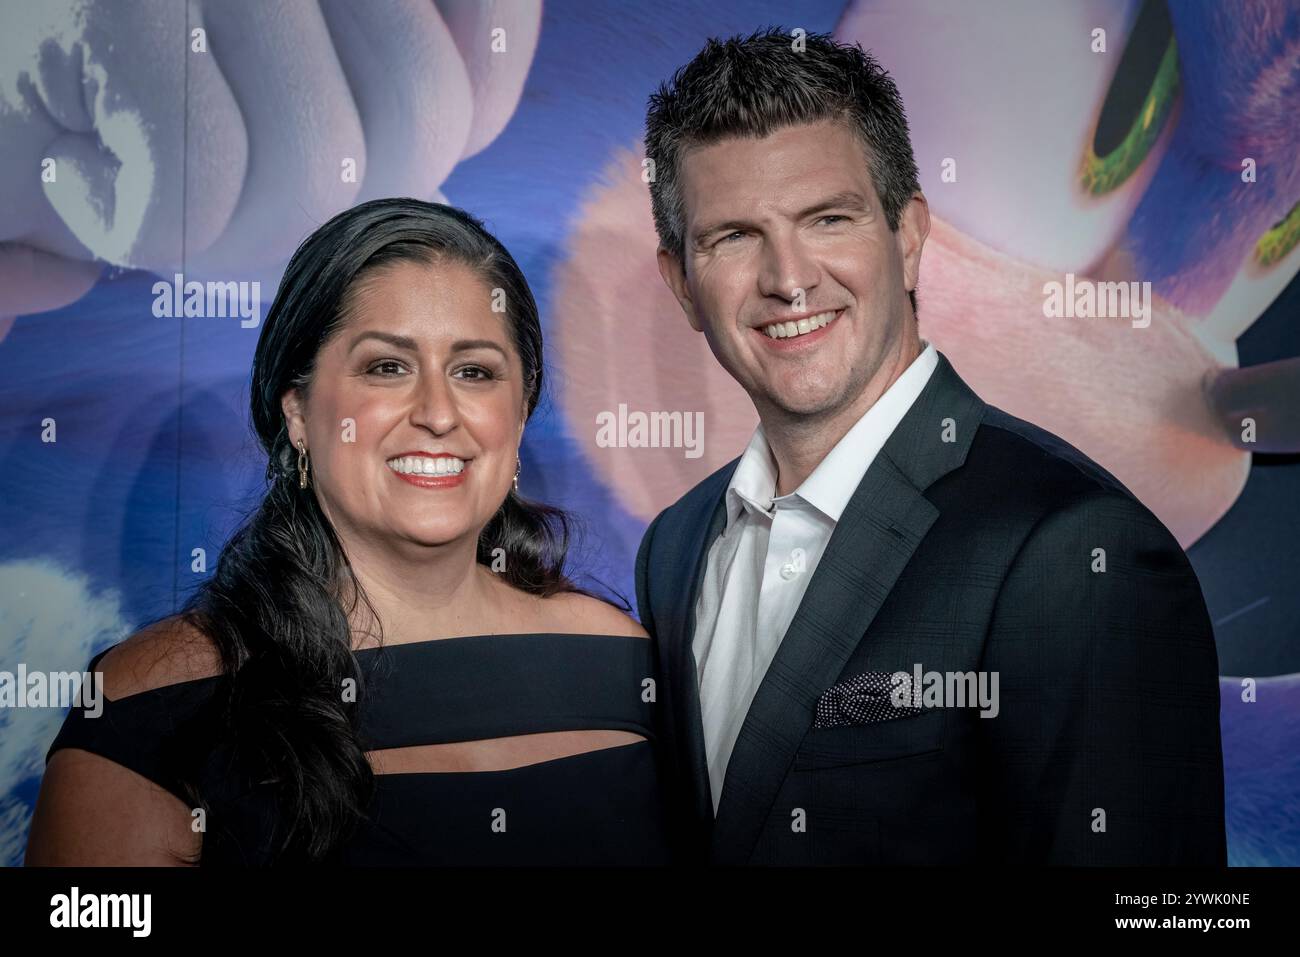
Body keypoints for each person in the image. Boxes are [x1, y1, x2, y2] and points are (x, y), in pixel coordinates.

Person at [635, 28, 1227, 865]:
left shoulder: (1077, 548)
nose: (788, 277)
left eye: (828, 219)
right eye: (732, 237)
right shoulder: (675, 548)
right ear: (681, 284)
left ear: (909, 235)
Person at [26, 198, 670, 866]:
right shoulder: (159, 698)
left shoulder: (621, 664)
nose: (438, 413)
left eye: (474, 371)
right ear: (298, 411)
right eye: (387, 367)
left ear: (520, 411)